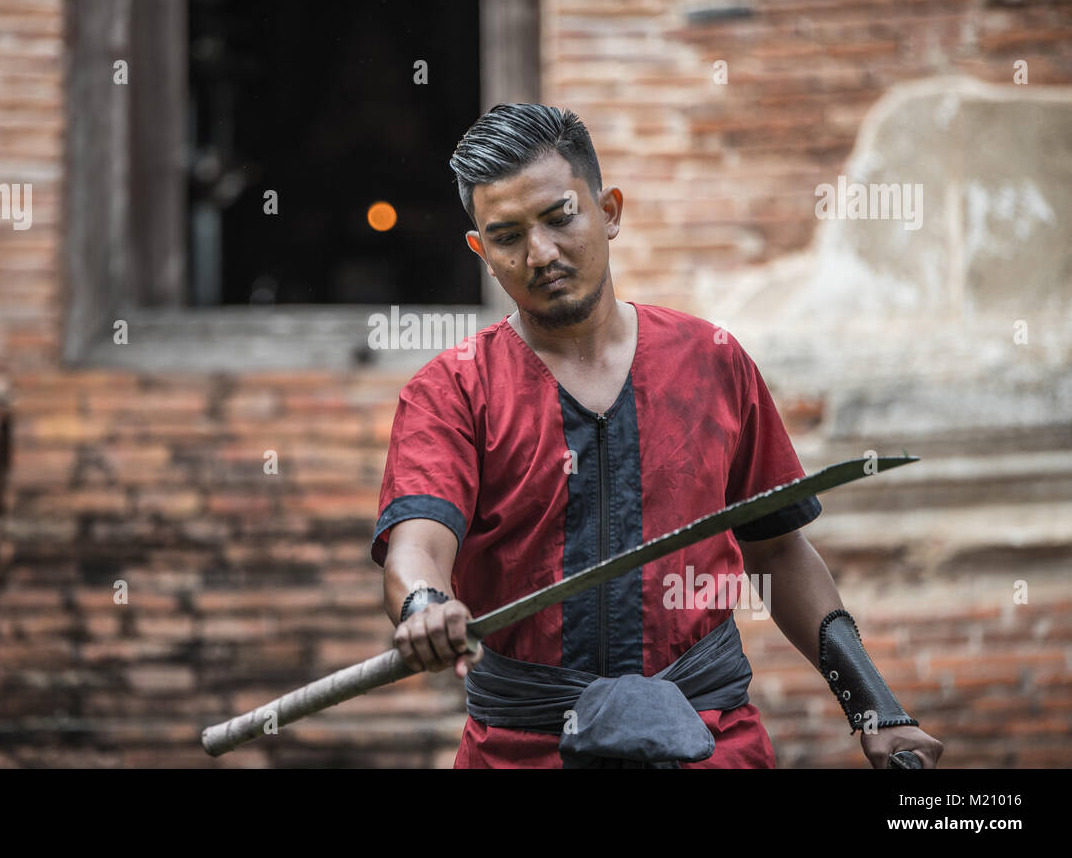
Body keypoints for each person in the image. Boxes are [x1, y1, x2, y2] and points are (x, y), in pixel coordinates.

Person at [372, 103, 943, 769]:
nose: (541, 253)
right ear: (482, 252)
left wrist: (873, 705)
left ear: (609, 210)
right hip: (524, 751)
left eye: (561, 218)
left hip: (709, 740)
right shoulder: (452, 389)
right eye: (507, 236)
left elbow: (779, 552)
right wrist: (424, 603)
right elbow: (416, 543)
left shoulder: (713, 359)